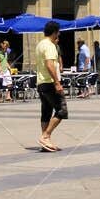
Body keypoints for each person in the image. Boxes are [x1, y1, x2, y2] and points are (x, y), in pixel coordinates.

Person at [35, 21, 67, 152]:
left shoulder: (40, 45)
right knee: (62, 110)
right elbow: (49, 65)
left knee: (46, 112)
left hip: (41, 83)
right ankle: (46, 136)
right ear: (54, 32)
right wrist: (57, 83)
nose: (59, 34)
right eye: (58, 32)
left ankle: (45, 143)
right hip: (49, 83)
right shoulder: (50, 46)